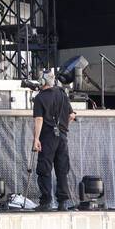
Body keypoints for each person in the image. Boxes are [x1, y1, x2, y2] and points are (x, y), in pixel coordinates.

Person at [32, 71, 77, 211]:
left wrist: (36, 139)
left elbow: (39, 119)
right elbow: (72, 115)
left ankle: (46, 202)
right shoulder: (63, 94)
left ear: (42, 82)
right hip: (62, 137)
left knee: (44, 169)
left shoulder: (39, 98)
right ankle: (62, 203)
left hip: (47, 137)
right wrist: (63, 127)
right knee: (62, 170)